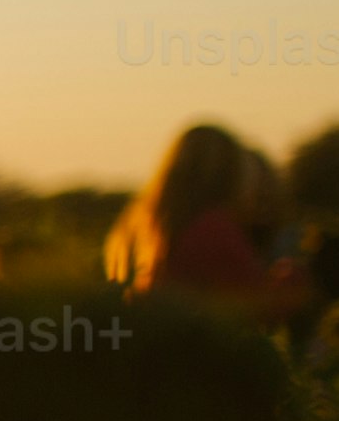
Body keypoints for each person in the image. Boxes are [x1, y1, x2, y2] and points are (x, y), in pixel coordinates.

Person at [106, 124, 304, 316]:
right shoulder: (213, 229)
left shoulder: (150, 225)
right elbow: (257, 305)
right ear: (231, 173)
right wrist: (296, 280)